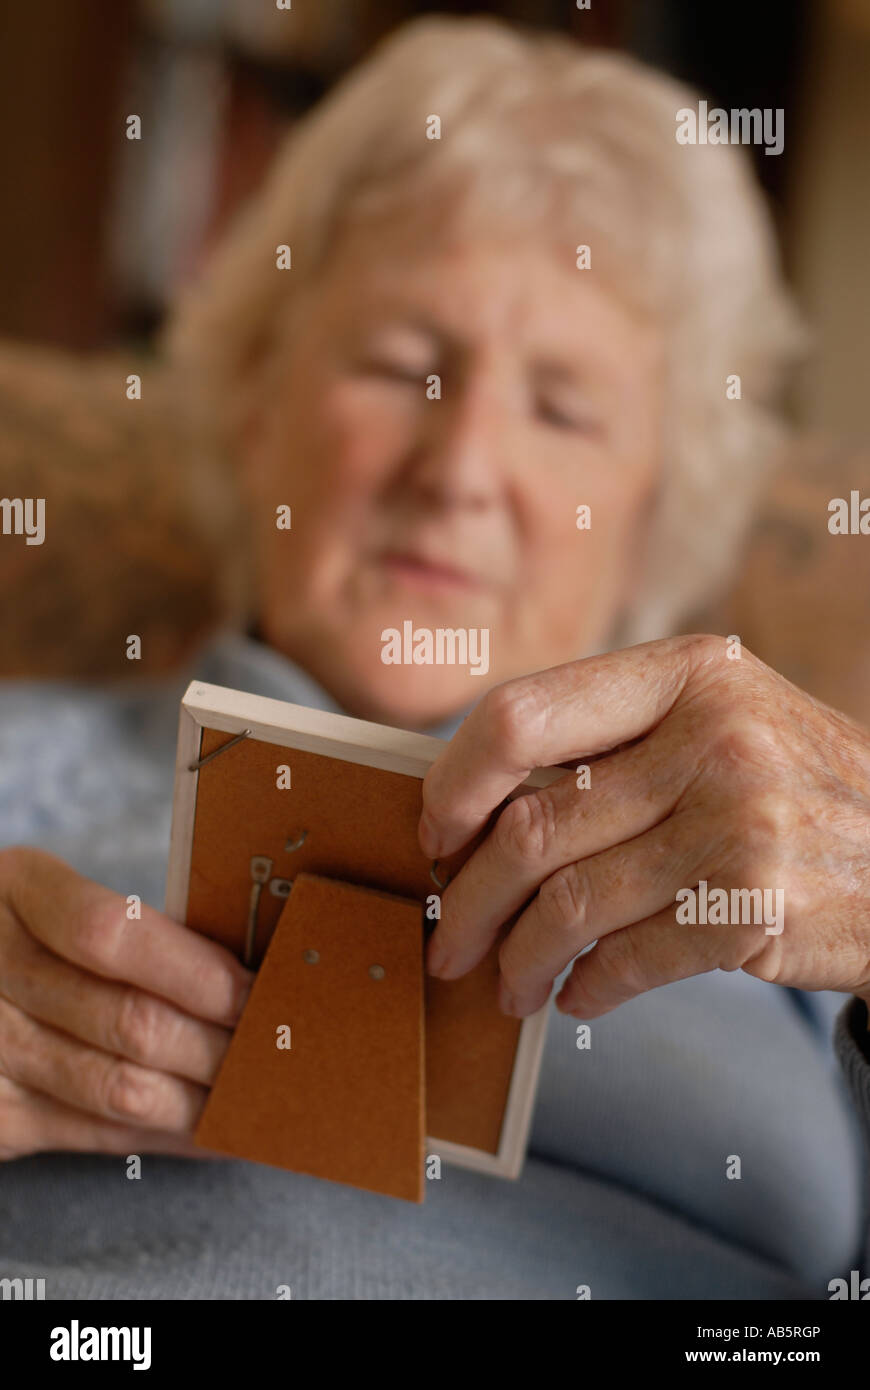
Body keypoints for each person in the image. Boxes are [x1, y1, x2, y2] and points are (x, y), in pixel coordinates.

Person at [1, 17, 868, 1300]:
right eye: (401, 364)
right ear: (255, 407)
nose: (461, 470)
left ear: (654, 513)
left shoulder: (795, 925)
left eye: (563, 408)